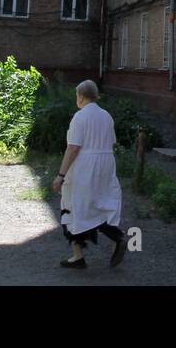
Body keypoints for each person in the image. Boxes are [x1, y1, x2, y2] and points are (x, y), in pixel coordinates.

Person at [51, 80, 125, 270]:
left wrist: (61, 175)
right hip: (106, 163)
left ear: (81, 96)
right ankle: (116, 237)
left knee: (74, 205)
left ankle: (79, 255)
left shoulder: (80, 117)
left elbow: (73, 148)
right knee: (99, 203)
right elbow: (111, 142)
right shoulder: (106, 116)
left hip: (86, 165)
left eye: (77, 95)